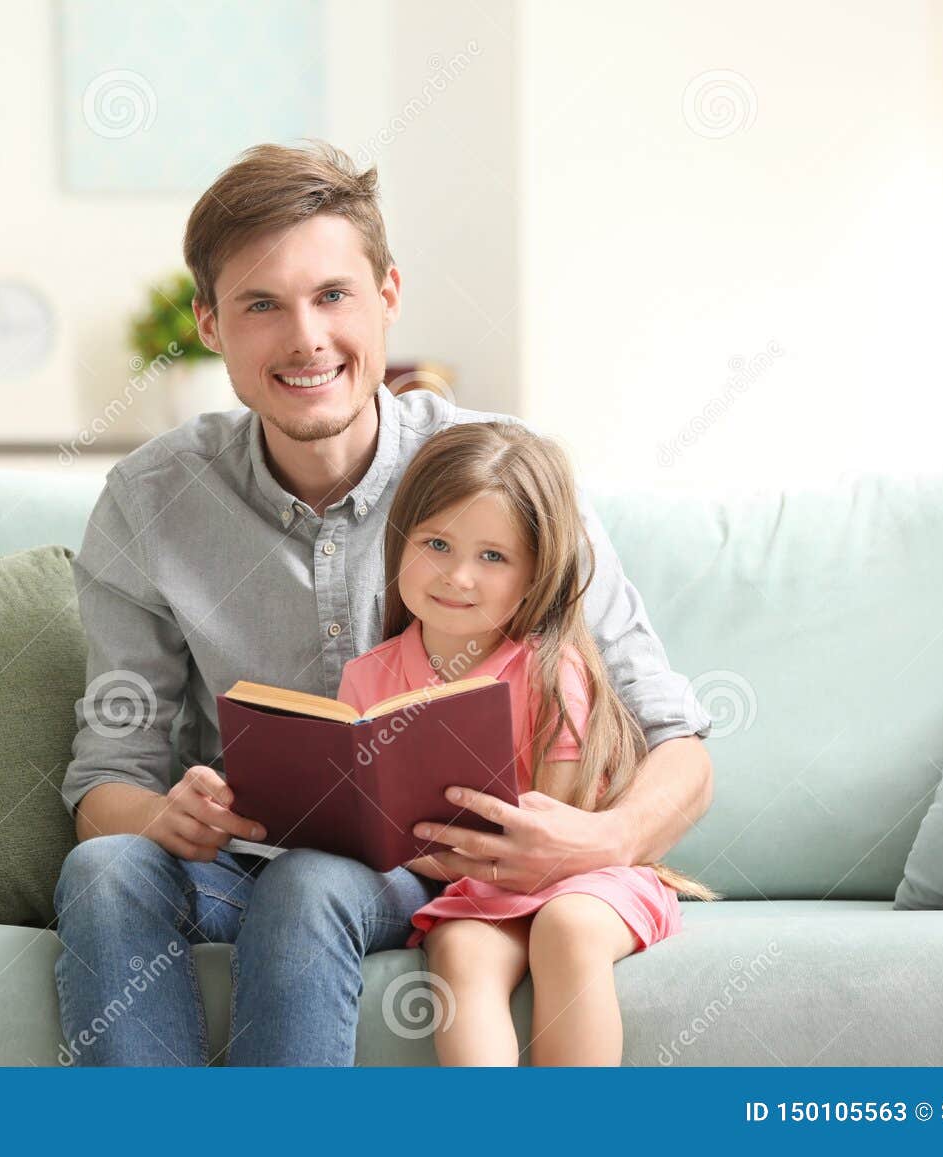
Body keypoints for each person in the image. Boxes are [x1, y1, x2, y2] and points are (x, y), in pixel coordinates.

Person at [52, 139, 714, 1067]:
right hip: (246, 871)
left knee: (315, 881)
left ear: (388, 296)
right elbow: (103, 783)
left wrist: (599, 838)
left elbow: (676, 738)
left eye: (332, 296)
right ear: (208, 322)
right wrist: (162, 816)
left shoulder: (502, 471)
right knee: (105, 870)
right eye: (260, 305)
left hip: (441, 879)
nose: (306, 338)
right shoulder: (150, 497)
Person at [337, 421, 720, 1067]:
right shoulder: (368, 676)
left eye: (493, 556)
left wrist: (430, 845)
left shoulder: (551, 666)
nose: (457, 575)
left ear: (533, 575)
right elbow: (369, 820)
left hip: (583, 874)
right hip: (476, 888)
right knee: (459, 950)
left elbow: (555, 823)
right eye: (436, 543)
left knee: (568, 928)